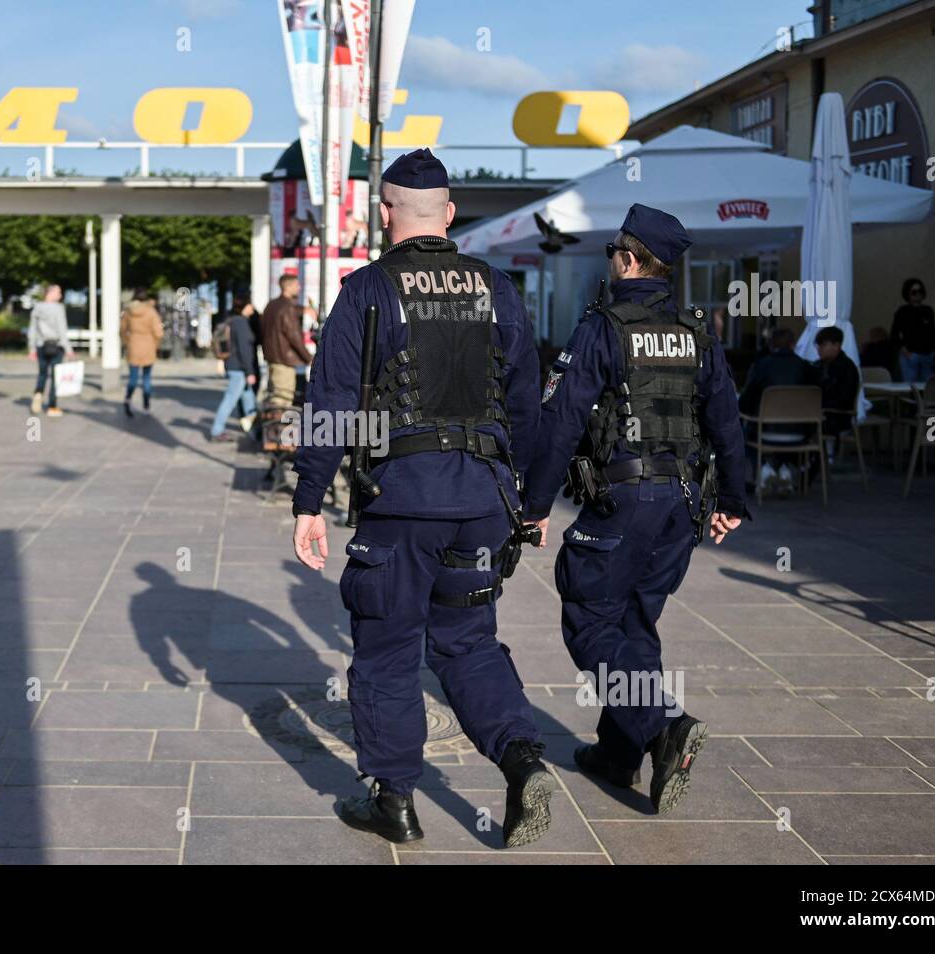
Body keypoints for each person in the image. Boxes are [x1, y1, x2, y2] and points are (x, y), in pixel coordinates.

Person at [291, 149, 551, 848]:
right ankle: (522, 759)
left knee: (388, 651)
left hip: (402, 501)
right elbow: (526, 403)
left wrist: (308, 499)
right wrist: (530, 498)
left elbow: (333, 402)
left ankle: (394, 799)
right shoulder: (497, 289)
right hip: (485, 500)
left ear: (386, 213)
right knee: (469, 643)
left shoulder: (367, 289)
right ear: (452, 213)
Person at [523, 204, 748, 815]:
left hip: (624, 501)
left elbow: (562, 418)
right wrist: (732, 499)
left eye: (611, 255)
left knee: (591, 621)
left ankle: (662, 724)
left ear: (628, 258)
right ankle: (619, 754)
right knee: (634, 626)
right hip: (681, 506)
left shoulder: (605, 325)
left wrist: (535, 506)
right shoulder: (698, 329)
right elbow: (726, 417)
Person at [739, 326, 819, 491]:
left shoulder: (761, 366)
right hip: (800, 433)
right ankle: (784, 468)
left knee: (739, 430)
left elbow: (745, 402)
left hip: (766, 432)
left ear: (770, 345)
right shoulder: (806, 367)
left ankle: (763, 469)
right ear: (793, 345)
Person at [209, 303, 259, 441]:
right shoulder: (241, 322)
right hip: (239, 369)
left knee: (249, 400)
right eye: (250, 305)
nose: (252, 308)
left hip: (235, 366)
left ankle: (253, 431)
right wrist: (250, 371)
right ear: (243, 306)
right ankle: (216, 431)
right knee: (230, 399)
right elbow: (244, 349)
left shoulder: (232, 320)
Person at [260, 275, 310, 408]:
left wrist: (304, 310)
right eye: (296, 285)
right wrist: (308, 357)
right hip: (284, 361)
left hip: (272, 359)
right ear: (287, 287)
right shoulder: (287, 307)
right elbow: (294, 337)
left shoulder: (271, 305)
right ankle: (275, 427)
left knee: (275, 396)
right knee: (282, 401)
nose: (299, 288)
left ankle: (262, 424)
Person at [28, 284, 75, 418]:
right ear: (51, 293)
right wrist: (68, 349)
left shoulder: (37, 307)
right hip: (56, 346)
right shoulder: (58, 308)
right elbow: (62, 330)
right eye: (58, 292)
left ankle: (37, 396)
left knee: (42, 374)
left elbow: (32, 330)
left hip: (41, 345)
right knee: (56, 376)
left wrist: (31, 348)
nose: (60, 296)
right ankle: (52, 406)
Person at [814, 325, 860, 449]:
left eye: (823, 344)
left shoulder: (847, 368)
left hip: (836, 417)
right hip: (820, 412)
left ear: (836, 345)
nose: (819, 349)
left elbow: (844, 400)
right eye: (818, 345)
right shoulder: (817, 366)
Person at [119, 289, 163, 417]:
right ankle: (146, 405)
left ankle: (127, 399)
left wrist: (128, 342)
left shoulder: (128, 311)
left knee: (132, 378)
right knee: (147, 378)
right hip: (148, 346)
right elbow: (159, 333)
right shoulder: (151, 312)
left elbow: (122, 330)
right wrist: (154, 345)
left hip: (133, 346)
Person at [891, 277, 935, 383]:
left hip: (928, 355)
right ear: (908, 293)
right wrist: (905, 352)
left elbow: (933, 332)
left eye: (920, 291)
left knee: (928, 387)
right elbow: (894, 334)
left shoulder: (928, 310)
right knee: (910, 387)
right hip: (911, 355)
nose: (918, 294)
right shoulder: (903, 311)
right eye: (914, 292)